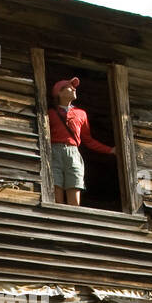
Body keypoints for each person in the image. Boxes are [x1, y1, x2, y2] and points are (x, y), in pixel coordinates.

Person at [48, 77, 115, 206]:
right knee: (56, 195)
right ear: (59, 93)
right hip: (54, 152)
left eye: (74, 86)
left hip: (73, 153)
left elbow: (88, 140)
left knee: (74, 188)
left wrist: (110, 150)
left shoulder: (81, 114)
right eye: (69, 86)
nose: (74, 88)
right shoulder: (50, 113)